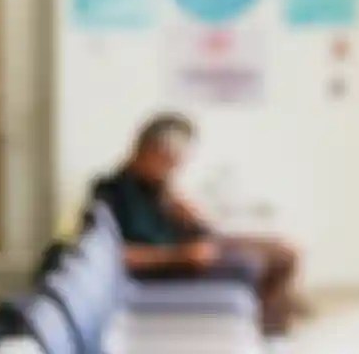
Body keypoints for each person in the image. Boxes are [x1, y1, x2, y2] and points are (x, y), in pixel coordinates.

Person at [95, 112, 301, 337]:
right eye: (170, 161)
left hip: (194, 247)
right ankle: (268, 330)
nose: (174, 169)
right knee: (250, 264)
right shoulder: (111, 192)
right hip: (172, 265)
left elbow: (200, 228)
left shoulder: (157, 187)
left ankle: (276, 321)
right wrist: (179, 255)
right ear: (150, 151)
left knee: (285, 252)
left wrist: (192, 217)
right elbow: (115, 255)